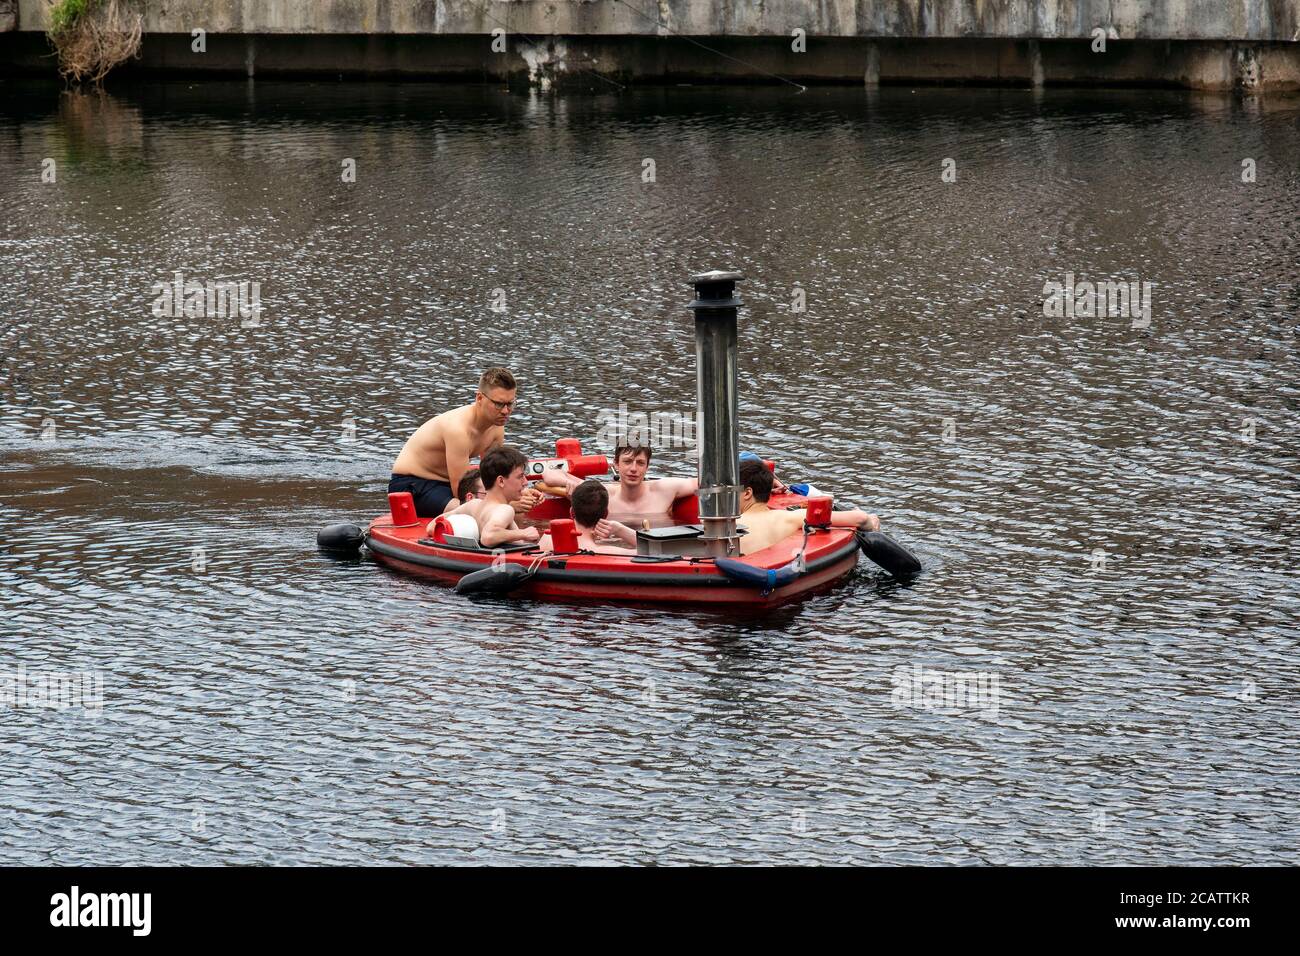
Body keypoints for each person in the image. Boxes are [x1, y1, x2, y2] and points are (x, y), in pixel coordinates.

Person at [389, 367, 542, 518]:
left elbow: (494, 475)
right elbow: (462, 493)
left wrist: (519, 492)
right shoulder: (458, 430)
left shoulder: (497, 426)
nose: (505, 411)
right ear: (480, 398)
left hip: (446, 483)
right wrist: (508, 505)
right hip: (412, 485)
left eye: (511, 404)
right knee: (469, 507)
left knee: (491, 504)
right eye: (499, 404)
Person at [736, 458, 880, 556]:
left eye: (730, 491)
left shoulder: (726, 524)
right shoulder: (790, 517)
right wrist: (871, 522)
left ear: (748, 493)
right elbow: (860, 518)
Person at [456, 445, 542, 548]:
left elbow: (434, 525)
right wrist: (523, 533)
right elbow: (488, 537)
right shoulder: (505, 509)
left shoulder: (473, 505)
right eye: (520, 477)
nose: (526, 483)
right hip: (511, 561)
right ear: (501, 481)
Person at [568, 480, 637, 554]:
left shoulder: (554, 543)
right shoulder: (611, 553)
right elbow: (650, 550)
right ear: (605, 514)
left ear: (571, 512)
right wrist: (620, 529)